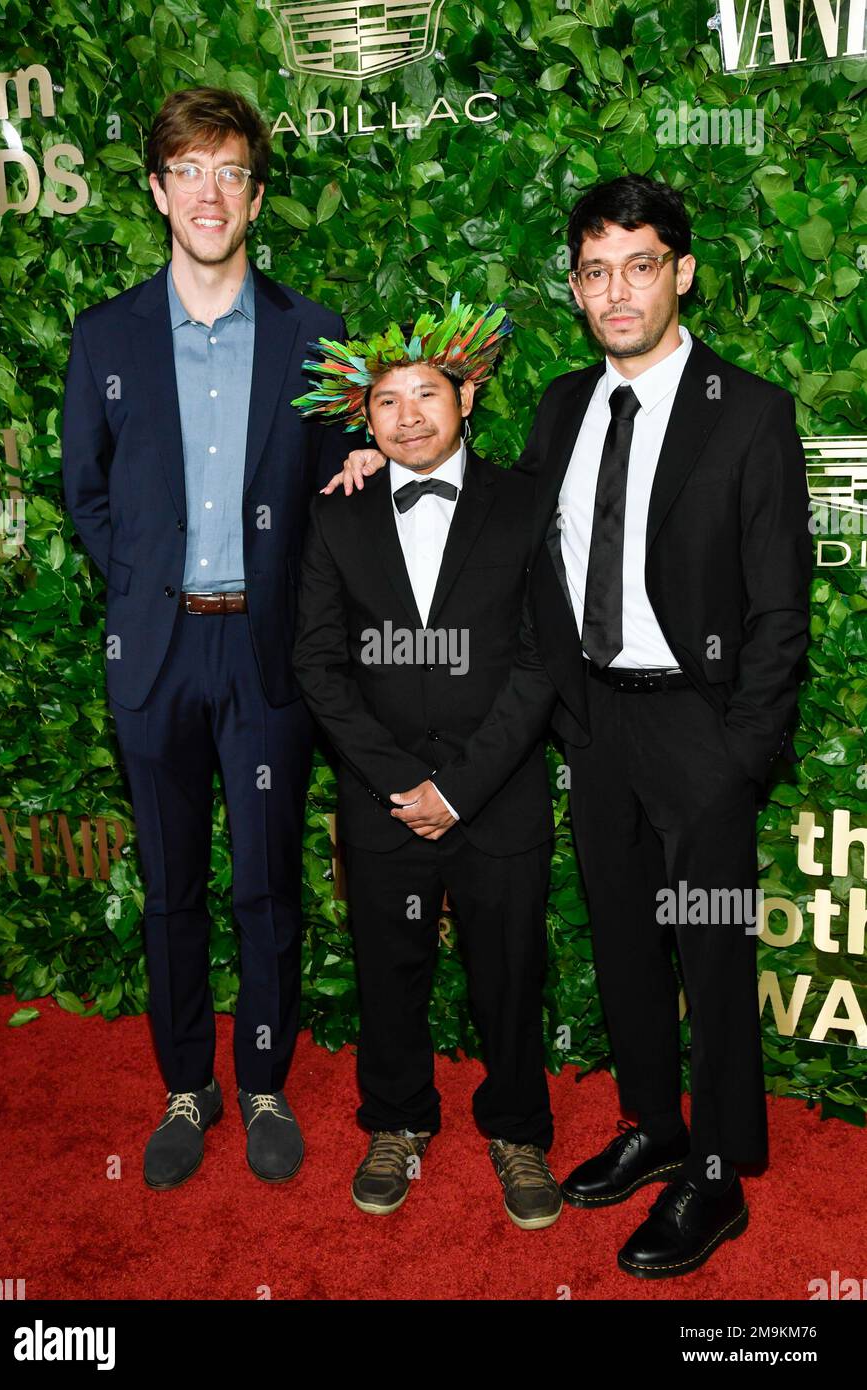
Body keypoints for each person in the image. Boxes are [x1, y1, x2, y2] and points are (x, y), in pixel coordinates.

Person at [325, 175, 812, 1277]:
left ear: (681, 272)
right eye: (595, 271)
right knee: (628, 942)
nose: (618, 290)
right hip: (591, 722)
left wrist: (741, 754)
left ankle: (722, 1171)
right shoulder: (556, 406)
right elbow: (485, 513)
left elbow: (783, 611)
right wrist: (371, 454)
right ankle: (655, 1122)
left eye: (641, 264)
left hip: (700, 725)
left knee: (713, 953)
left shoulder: (752, 411)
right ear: (577, 288)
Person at [61, 87, 364, 1191]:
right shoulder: (107, 335)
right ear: (157, 191)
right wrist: (149, 588)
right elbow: (86, 496)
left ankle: (266, 1080)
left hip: (268, 654)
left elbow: (342, 479)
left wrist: (364, 465)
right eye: (187, 170)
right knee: (173, 883)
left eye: (230, 171)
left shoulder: (312, 331)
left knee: (267, 885)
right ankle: (189, 1082)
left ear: (255, 193)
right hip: (156, 656)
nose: (208, 191)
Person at [291, 299, 563, 1228]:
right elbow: (318, 664)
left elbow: (542, 659)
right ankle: (397, 1121)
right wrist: (397, 782)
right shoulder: (336, 514)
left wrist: (460, 786)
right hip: (382, 798)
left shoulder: (527, 503)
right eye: (386, 402)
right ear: (362, 421)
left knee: (510, 974)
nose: (407, 415)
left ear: (468, 397)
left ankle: (519, 1129)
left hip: (499, 793)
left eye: (426, 394)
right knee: (387, 970)